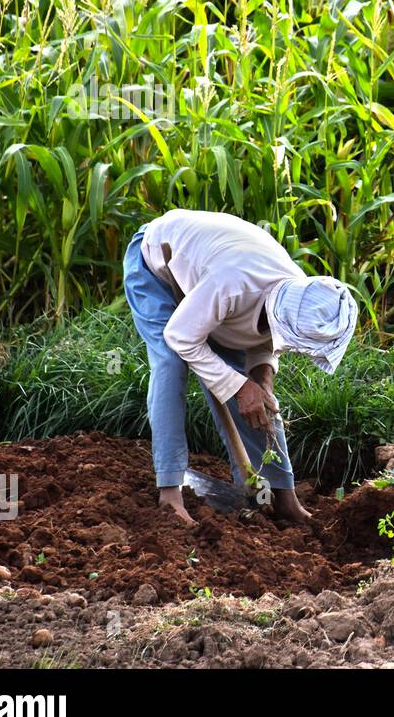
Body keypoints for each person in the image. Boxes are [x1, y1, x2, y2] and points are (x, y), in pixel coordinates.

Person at [121, 209, 356, 525]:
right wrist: (238, 386)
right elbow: (180, 336)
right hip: (157, 264)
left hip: (207, 284)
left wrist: (261, 379)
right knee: (171, 362)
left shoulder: (300, 293)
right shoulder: (232, 284)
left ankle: (281, 495)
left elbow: (267, 339)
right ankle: (170, 494)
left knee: (254, 394)